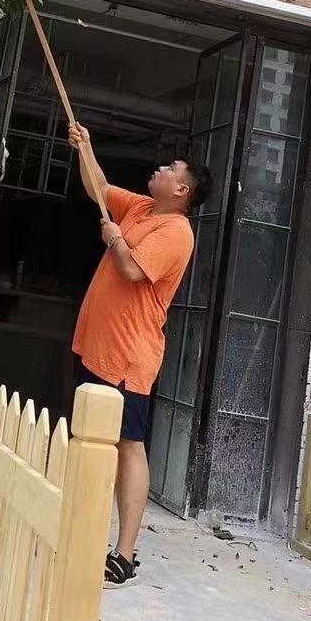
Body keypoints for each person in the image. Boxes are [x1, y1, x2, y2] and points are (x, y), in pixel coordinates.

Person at [68, 121, 209, 586]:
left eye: (171, 169)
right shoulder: (144, 207)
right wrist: (86, 148)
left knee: (128, 445)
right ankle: (81, 532)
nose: (161, 169)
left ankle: (124, 554)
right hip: (97, 346)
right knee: (90, 440)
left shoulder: (176, 232)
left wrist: (114, 238)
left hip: (128, 358)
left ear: (182, 189)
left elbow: (131, 269)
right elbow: (100, 189)